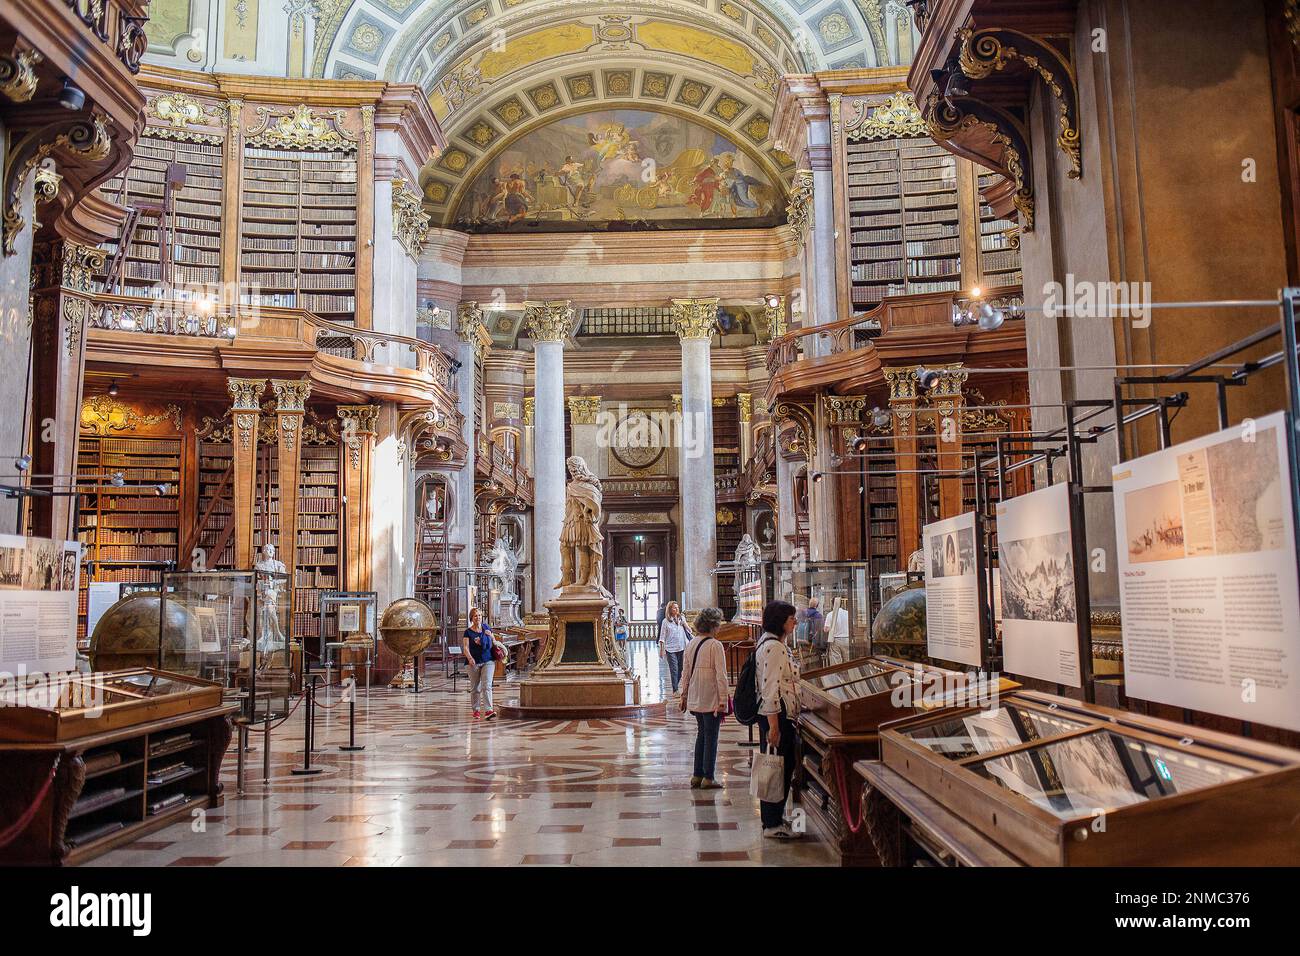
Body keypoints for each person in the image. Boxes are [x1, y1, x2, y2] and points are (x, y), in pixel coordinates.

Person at [755, 599, 801, 839]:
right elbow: (770, 689)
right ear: (781, 621)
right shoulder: (775, 648)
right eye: (791, 618)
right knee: (778, 768)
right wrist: (774, 726)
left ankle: (773, 818)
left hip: (775, 715)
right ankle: (771, 823)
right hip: (777, 715)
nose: (795, 622)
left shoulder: (768, 642)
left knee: (778, 767)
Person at [679, 607, 728, 790]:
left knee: (701, 735)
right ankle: (708, 776)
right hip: (711, 698)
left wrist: (684, 696)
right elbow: (721, 675)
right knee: (711, 736)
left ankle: (696, 775)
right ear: (713, 625)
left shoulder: (691, 643)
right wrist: (723, 700)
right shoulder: (715, 645)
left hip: (695, 696)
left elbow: (686, 673)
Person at [461, 607, 497, 720]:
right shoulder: (468, 632)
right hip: (473, 662)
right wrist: (470, 658)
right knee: (475, 688)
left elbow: (493, 642)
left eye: (480, 615)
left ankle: (488, 710)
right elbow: (465, 648)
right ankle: (476, 710)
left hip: (488, 660)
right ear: (472, 618)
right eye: (476, 616)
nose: (478, 617)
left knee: (487, 686)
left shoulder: (486, 628)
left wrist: (490, 635)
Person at [658, 601, 690, 694]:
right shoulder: (665, 621)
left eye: (677, 607)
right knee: (674, 669)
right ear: (670, 609)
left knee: (680, 668)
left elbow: (689, 630)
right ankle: (675, 689)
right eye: (674, 608)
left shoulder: (681, 618)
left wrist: (685, 625)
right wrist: (661, 650)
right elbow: (662, 636)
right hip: (670, 648)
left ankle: (676, 684)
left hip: (682, 647)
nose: (677, 609)